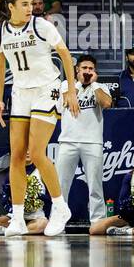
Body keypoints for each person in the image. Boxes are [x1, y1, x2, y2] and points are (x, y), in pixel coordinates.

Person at [0, 0, 78, 236]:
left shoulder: (41, 25)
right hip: (21, 92)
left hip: (47, 88)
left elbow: (66, 55)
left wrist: (70, 90)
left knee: (36, 153)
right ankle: (16, 218)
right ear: (11, 6)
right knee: (16, 155)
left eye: (32, 3)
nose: (30, 8)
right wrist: (0, 99)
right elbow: (0, 67)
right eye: (24, 4)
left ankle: (60, 207)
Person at [56, 55, 112, 223]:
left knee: (95, 185)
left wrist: (93, 84)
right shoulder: (66, 85)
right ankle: (58, 221)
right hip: (68, 141)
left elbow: (107, 103)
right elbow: (66, 102)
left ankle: (97, 222)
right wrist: (79, 84)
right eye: (84, 69)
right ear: (77, 70)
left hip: (92, 142)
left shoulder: (100, 87)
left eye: (91, 69)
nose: (87, 72)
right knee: (61, 185)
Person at [0, 159, 49, 235]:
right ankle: (17, 230)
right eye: (25, 149)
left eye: (30, 149)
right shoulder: (13, 170)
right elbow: (5, 198)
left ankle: (7, 231)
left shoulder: (41, 171)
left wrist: (34, 201)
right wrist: (11, 204)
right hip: (14, 217)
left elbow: (50, 199)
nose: (27, 152)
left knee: (42, 224)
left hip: (36, 217)